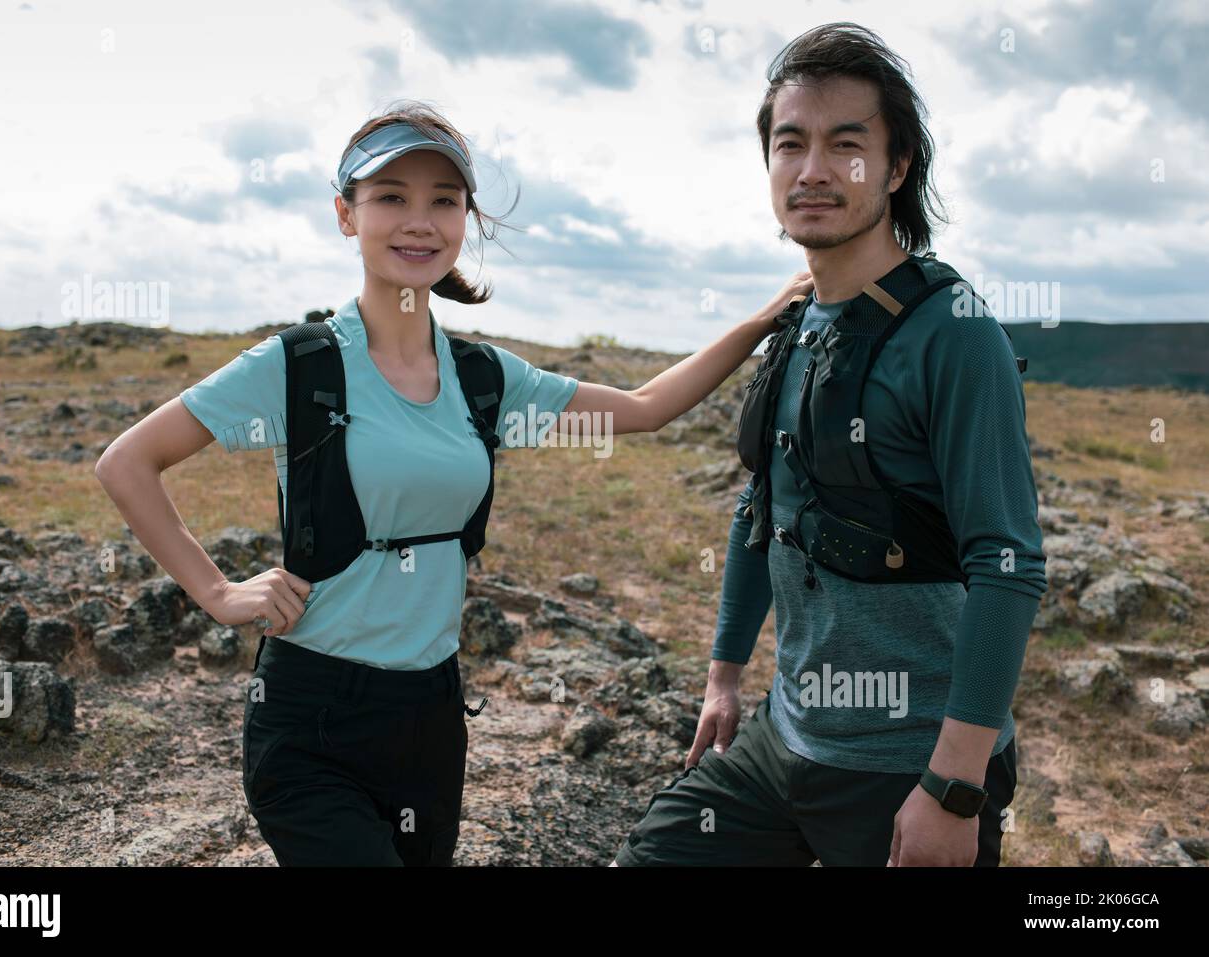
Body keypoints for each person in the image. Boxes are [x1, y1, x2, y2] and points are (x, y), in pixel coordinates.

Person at [95, 99, 813, 866]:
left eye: (444, 200)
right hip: (309, 719)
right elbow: (127, 462)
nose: (420, 220)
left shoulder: (483, 380)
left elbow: (643, 409)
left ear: (465, 218)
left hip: (429, 719)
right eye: (391, 197)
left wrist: (762, 320)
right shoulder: (299, 365)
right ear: (346, 215)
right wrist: (218, 593)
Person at [612, 23, 1047, 867]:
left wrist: (953, 788)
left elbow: (1008, 561)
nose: (812, 170)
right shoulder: (799, 319)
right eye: (790, 144)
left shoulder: (953, 334)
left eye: (846, 145)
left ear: (897, 166)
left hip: (907, 764)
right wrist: (725, 675)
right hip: (787, 738)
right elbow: (761, 507)